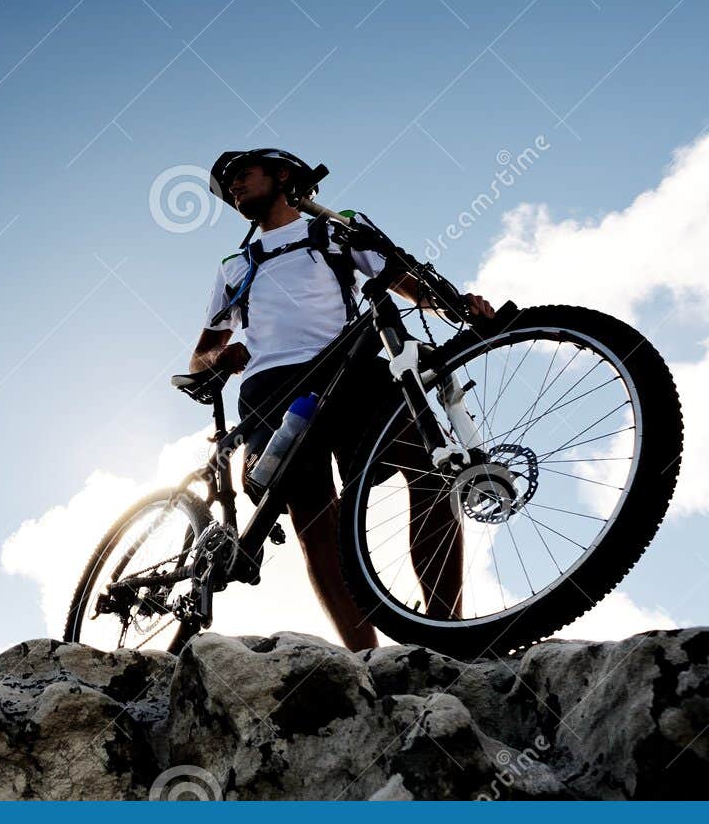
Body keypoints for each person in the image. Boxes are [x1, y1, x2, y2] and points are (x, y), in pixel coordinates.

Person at [188, 149, 495, 650]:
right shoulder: (234, 266)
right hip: (273, 387)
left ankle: (447, 636)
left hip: (350, 367)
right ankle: (365, 657)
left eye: (243, 175)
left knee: (428, 471)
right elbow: (202, 353)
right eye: (229, 185)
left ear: (282, 175)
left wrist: (462, 310)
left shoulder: (336, 229)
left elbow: (407, 284)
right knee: (313, 516)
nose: (235, 188)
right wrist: (220, 361)